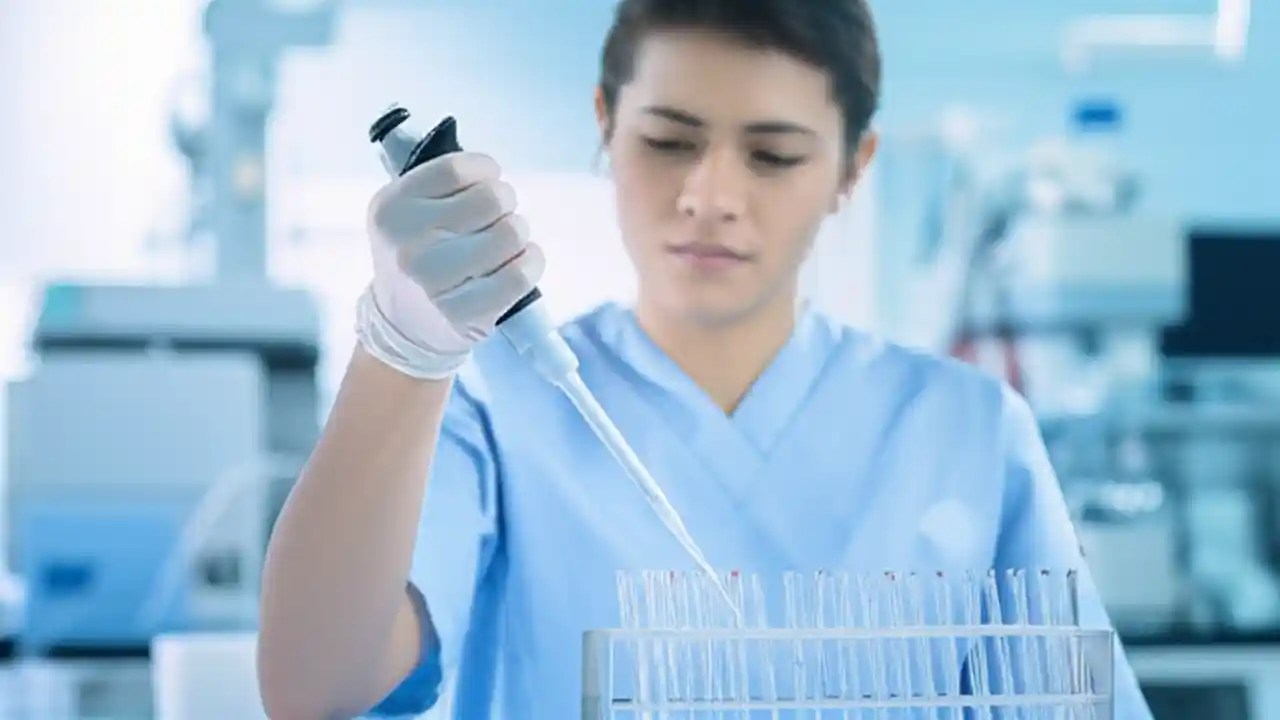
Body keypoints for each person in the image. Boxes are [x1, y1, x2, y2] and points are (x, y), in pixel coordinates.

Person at [257, 1, 1155, 718]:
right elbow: (319, 690)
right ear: (605, 125)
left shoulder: (968, 428)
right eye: (669, 140)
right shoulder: (496, 409)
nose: (711, 196)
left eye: (773, 154)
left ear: (852, 166)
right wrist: (405, 351)